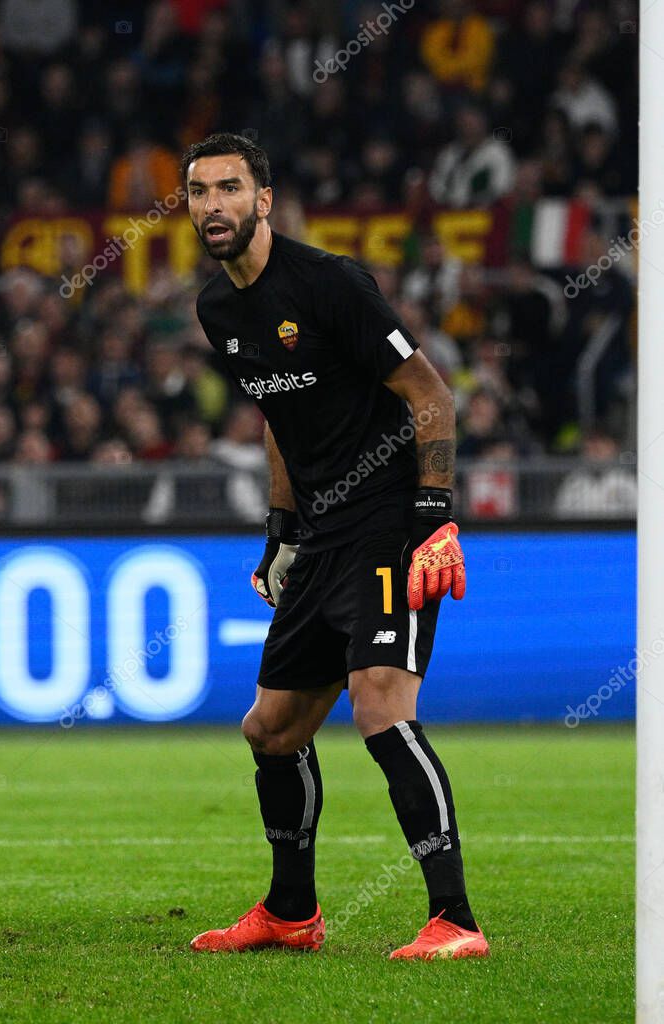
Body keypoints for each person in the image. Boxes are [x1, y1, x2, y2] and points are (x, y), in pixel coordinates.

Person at [185, 132, 489, 961]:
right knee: (270, 729)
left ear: (264, 200)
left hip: (390, 521)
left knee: (380, 705)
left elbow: (430, 394)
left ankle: (455, 921)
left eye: (228, 188)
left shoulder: (329, 284)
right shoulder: (219, 310)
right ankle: (291, 913)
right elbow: (279, 422)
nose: (213, 205)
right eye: (200, 191)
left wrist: (434, 517)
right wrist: (281, 531)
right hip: (320, 535)